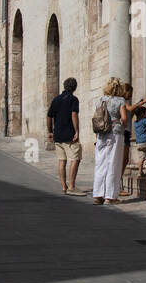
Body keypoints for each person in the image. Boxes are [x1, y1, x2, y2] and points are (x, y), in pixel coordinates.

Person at [91, 77, 129, 205]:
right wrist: (121, 123)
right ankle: (110, 197)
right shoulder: (120, 100)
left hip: (101, 134)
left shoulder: (100, 100)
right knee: (113, 163)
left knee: (100, 163)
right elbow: (124, 118)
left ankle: (98, 195)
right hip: (115, 133)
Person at [46, 77, 84, 195]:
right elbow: (74, 115)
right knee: (75, 159)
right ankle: (71, 186)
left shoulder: (56, 99)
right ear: (75, 87)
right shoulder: (73, 99)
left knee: (62, 161)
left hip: (58, 134)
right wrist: (77, 131)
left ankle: (64, 186)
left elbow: (49, 116)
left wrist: (50, 131)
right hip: (69, 135)